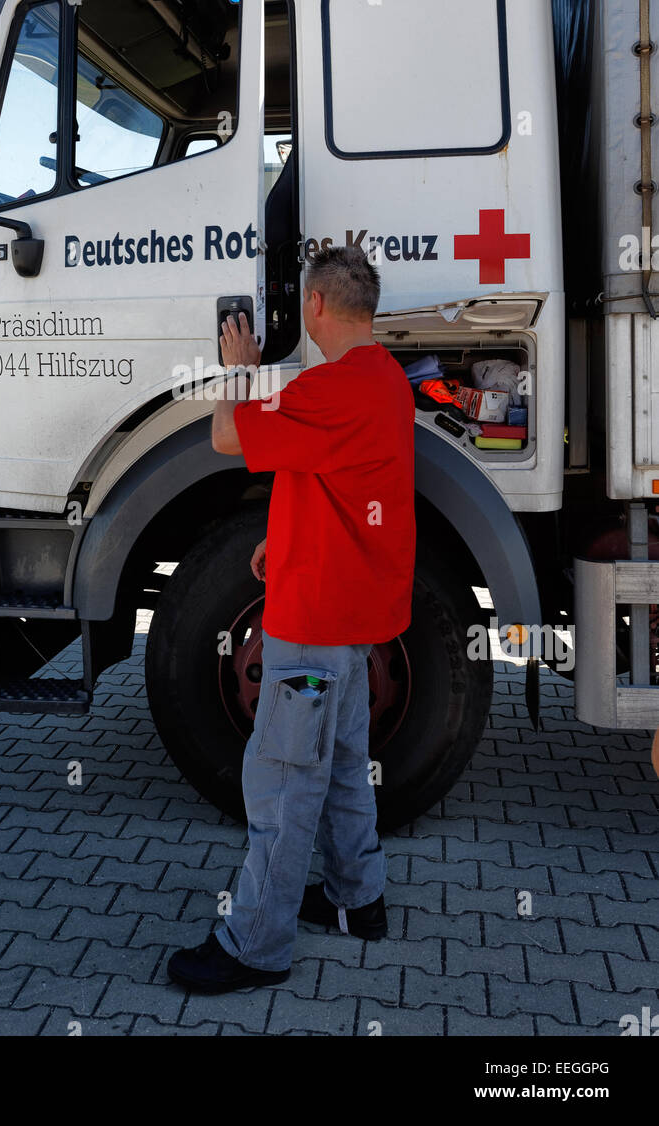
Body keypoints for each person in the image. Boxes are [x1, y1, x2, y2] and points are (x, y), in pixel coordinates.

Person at [167, 245, 415, 992]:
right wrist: (288, 535)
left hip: (310, 623)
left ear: (314, 307)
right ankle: (356, 900)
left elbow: (226, 437)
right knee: (341, 769)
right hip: (350, 619)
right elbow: (341, 475)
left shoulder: (328, 386)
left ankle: (255, 945)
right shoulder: (386, 382)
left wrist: (236, 367)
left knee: (281, 784)